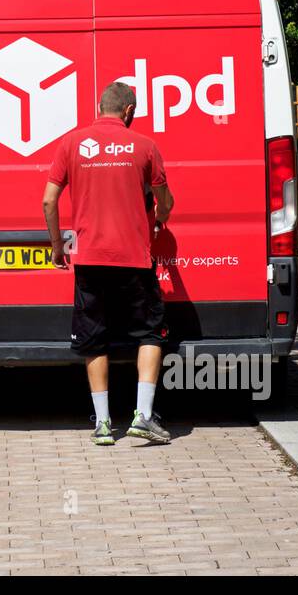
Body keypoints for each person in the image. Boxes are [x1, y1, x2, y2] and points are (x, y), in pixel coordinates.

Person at [42, 82, 176, 447]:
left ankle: (102, 424)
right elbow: (165, 203)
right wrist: (160, 216)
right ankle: (143, 416)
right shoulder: (146, 147)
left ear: (99, 107)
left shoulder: (71, 144)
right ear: (129, 111)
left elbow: (48, 202)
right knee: (150, 333)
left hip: (89, 260)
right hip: (134, 259)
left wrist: (57, 246)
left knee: (93, 339)